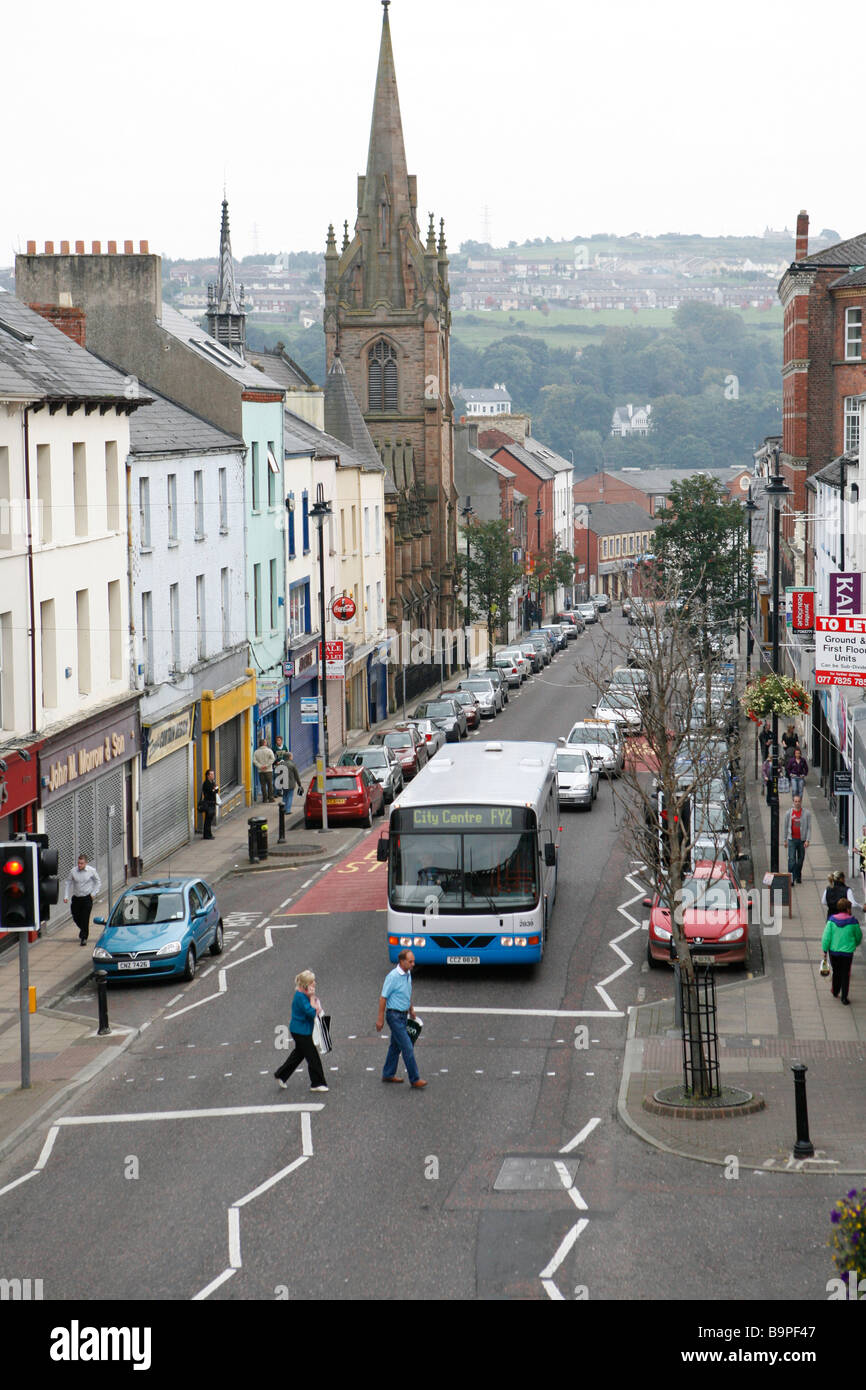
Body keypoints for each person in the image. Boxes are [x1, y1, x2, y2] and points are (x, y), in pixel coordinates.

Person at [376, 949, 427, 1088]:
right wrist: (380, 1019)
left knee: (395, 1046)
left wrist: (411, 1009)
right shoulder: (392, 976)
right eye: (410, 962)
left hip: (403, 1015)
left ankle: (388, 1074)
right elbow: (383, 997)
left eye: (413, 961)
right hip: (394, 1016)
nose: (413, 964)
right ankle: (415, 1079)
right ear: (402, 961)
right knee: (407, 1047)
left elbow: (406, 993)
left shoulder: (407, 974)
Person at [274, 969, 329, 1091]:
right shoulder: (301, 997)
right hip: (301, 1032)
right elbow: (311, 1013)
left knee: (298, 1055)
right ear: (305, 985)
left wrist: (310, 996)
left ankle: (281, 1075)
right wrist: (312, 996)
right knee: (313, 1057)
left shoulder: (302, 995)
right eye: (312, 982)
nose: (314, 983)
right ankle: (317, 1083)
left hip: (301, 1030)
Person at [821, 897, 862, 1005]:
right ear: (848, 909)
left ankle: (835, 990)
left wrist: (825, 950)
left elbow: (826, 937)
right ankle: (844, 997)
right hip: (847, 953)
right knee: (845, 974)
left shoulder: (831, 921)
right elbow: (858, 936)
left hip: (834, 952)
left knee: (836, 972)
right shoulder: (853, 921)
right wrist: (854, 944)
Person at [63, 852, 102, 946]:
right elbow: (68, 883)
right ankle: (83, 929)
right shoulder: (73, 871)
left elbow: (98, 882)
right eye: (78, 863)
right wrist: (66, 896)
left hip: (87, 898)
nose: (79, 865)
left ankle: (84, 937)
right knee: (76, 916)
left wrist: (93, 893)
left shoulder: (91, 871)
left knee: (85, 918)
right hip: (76, 898)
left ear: (86, 863)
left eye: (82, 863)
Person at [783, 795, 811, 885]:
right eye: (795, 801)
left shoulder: (806, 813)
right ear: (793, 802)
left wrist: (807, 840)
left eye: (798, 801)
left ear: (801, 802)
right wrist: (785, 840)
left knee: (800, 859)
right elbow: (785, 827)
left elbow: (809, 828)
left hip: (801, 840)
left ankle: (798, 875)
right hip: (792, 839)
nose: (797, 803)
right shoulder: (788, 813)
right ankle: (791, 878)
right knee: (791, 859)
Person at [273, 735, 304, 813]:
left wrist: (279, 784)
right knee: (290, 796)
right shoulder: (292, 765)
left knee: (284, 796)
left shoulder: (281, 765)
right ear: (289, 757)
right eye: (291, 756)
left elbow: (278, 775)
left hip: (283, 784)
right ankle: (288, 810)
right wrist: (299, 784)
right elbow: (296, 776)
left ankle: (283, 809)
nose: (292, 757)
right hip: (290, 784)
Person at [253, 736, 275, 802]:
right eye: (266, 742)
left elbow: (254, 761)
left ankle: (264, 799)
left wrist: (260, 766)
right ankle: (271, 798)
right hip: (268, 770)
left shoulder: (256, 752)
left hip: (261, 771)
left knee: (263, 785)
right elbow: (272, 759)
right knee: (270, 785)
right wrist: (266, 765)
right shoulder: (269, 750)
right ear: (264, 743)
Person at [200, 769, 218, 840]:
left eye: (213, 774)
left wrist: (215, 789)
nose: (213, 776)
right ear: (208, 776)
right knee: (208, 819)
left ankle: (209, 834)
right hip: (208, 803)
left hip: (212, 803)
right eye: (211, 774)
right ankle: (206, 835)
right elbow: (211, 792)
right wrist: (214, 790)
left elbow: (216, 791)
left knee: (210, 819)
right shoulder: (206, 783)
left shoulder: (212, 782)